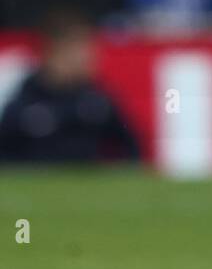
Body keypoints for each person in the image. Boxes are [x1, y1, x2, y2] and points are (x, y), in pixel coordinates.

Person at [0, 12, 141, 165]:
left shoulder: (98, 98)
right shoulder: (25, 102)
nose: (89, 57)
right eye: (80, 50)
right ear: (54, 52)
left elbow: (131, 148)